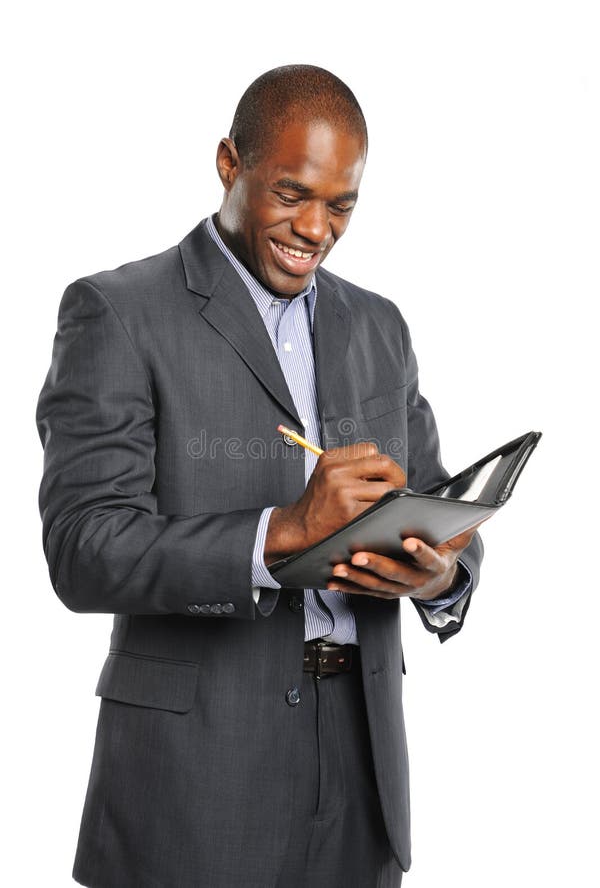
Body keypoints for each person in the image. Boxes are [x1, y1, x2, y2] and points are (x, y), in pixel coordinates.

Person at [36, 64, 484, 888]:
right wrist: (283, 532)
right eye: (291, 194)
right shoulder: (119, 312)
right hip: (193, 782)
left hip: (362, 769)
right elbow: (83, 547)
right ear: (227, 164)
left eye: (340, 205)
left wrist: (441, 574)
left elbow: (436, 501)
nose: (314, 227)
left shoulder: (379, 325)